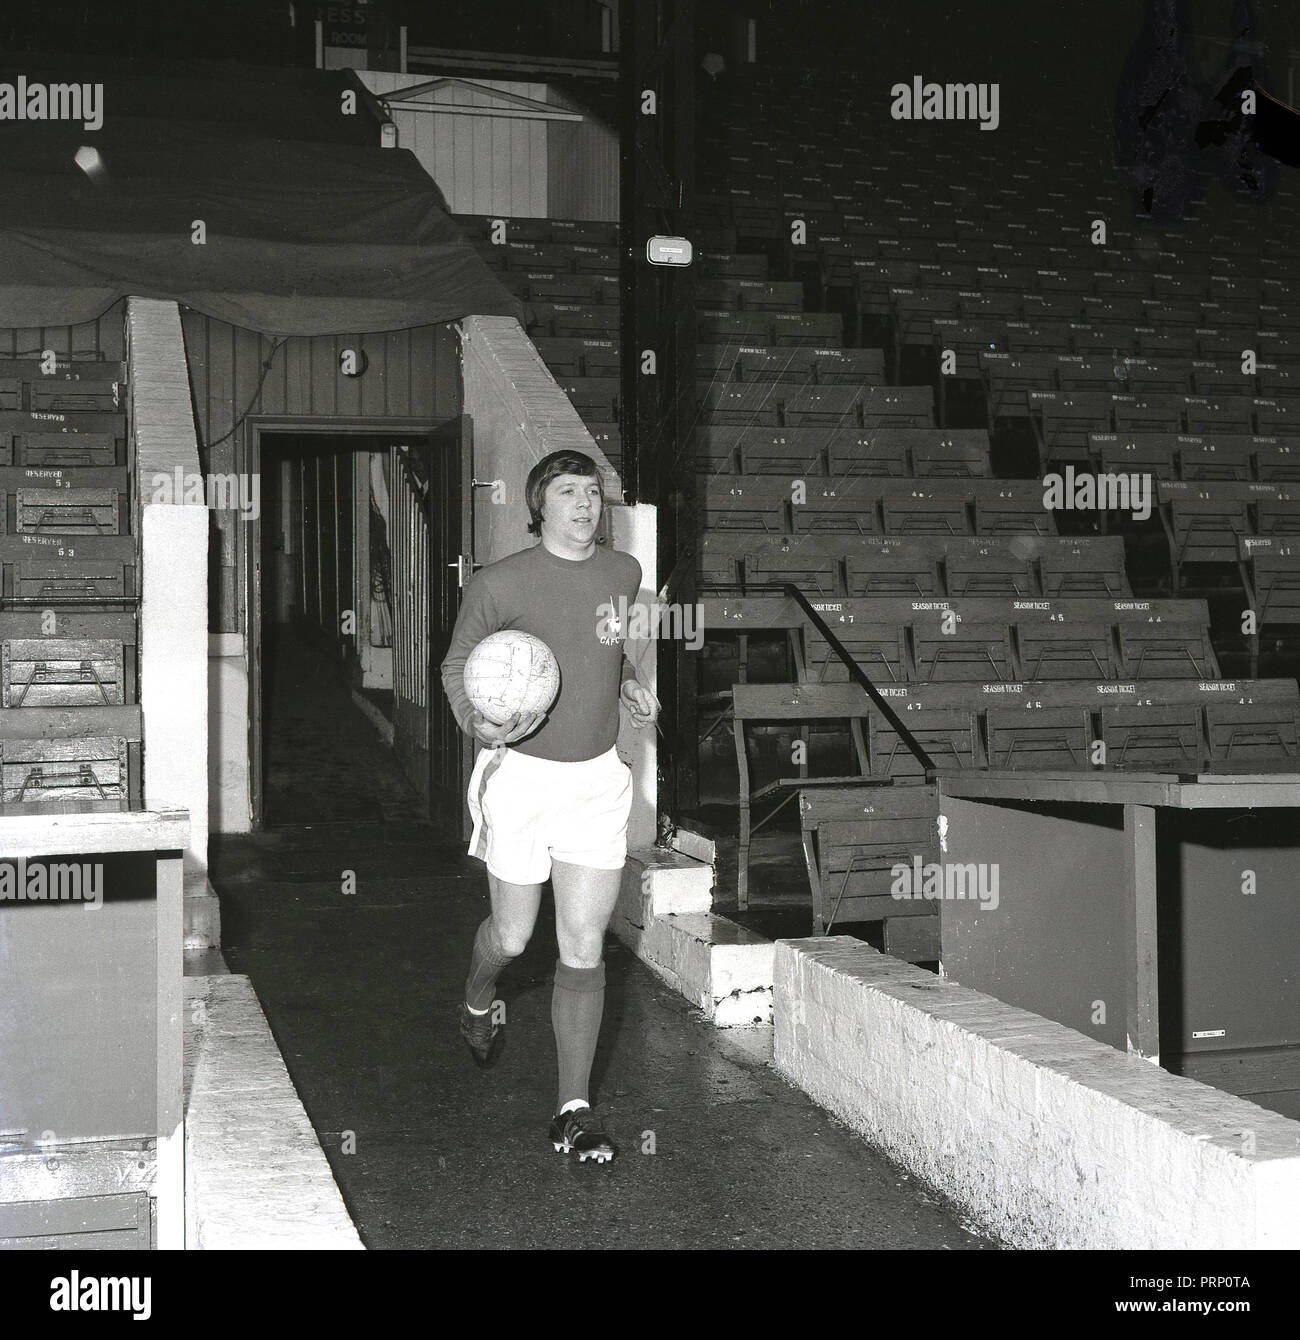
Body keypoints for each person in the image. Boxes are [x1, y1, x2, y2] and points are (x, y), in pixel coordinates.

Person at [439, 449, 657, 1163]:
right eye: (568, 492)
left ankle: (572, 1110)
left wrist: (628, 683)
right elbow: (456, 665)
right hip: (521, 777)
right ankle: (477, 998)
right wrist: (478, 721)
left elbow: (611, 653)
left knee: (584, 945)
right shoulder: (500, 582)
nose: (585, 503)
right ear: (539, 506)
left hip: (597, 779)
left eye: (592, 491)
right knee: (511, 938)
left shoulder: (623, 573)